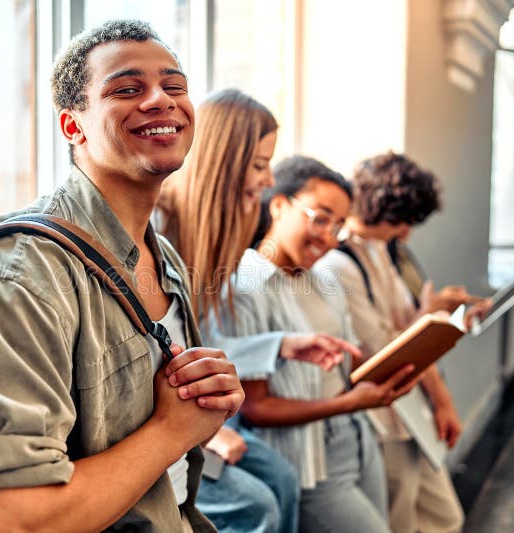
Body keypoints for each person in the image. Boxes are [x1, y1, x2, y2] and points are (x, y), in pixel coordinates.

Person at [0, 20, 244, 532]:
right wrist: (173, 429)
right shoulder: (23, 272)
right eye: (126, 89)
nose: (160, 100)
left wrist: (206, 399)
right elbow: (7, 520)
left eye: (174, 86)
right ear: (72, 126)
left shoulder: (162, 255)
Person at [160, 89, 347, 533]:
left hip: (195, 417)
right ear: (224, 162)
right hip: (174, 422)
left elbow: (202, 345)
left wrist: (283, 345)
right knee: (257, 504)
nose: (268, 182)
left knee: (281, 477)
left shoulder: (214, 241)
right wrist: (207, 434)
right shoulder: (162, 231)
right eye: (260, 166)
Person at [218, 155, 422, 533]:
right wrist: (347, 403)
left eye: (338, 225)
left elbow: (346, 360)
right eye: (321, 218)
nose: (328, 238)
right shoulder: (247, 286)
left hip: (357, 438)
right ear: (279, 205)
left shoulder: (323, 281)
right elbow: (256, 407)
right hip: (309, 460)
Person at [315, 151, 484, 533]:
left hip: (410, 401)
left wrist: (436, 315)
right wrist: (429, 315)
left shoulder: (376, 249)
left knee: (444, 517)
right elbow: (385, 346)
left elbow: (405, 324)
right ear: (381, 211)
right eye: (402, 222)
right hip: (381, 409)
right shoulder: (336, 265)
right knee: (400, 518)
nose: (406, 233)